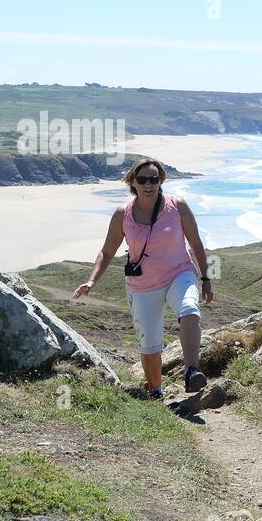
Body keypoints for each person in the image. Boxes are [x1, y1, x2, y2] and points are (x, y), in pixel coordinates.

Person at [72, 159, 213, 398]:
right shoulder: (122, 214)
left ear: (162, 181)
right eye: (143, 180)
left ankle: (192, 370)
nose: (149, 184)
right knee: (150, 347)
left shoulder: (177, 206)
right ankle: (156, 391)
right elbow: (107, 251)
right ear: (132, 182)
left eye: (154, 179)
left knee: (189, 309)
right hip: (143, 285)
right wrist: (92, 281)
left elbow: (196, 243)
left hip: (180, 272)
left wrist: (206, 279)